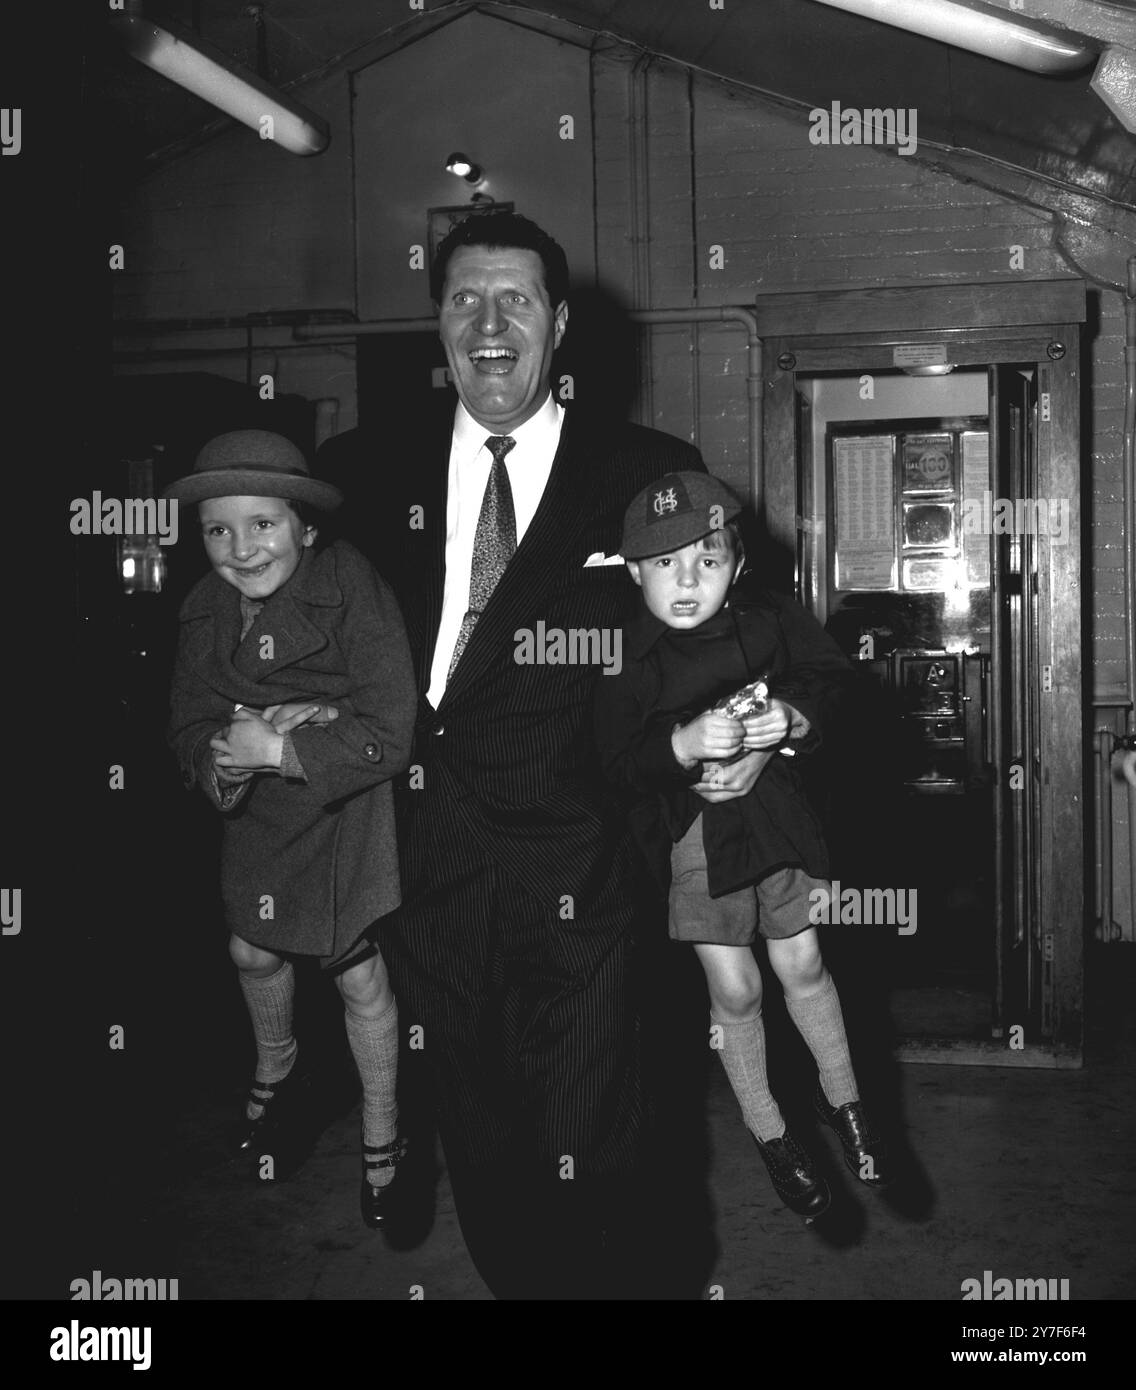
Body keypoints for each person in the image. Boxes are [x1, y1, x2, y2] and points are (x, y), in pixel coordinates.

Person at [354, 211, 706, 1298]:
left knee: (598, 1144)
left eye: (514, 299)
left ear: (557, 325)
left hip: (584, 874)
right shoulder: (363, 473)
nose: (488, 322)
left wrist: (756, 731)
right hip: (427, 874)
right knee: (485, 1142)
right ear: (437, 325)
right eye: (464, 299)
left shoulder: (645, 473)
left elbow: (716, 637)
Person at [594, 470, 890, 1220]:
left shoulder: (771, 616)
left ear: (739, 563)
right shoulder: (623, 656)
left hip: (778, 819)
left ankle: (847, 1101)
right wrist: (680, 744)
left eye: (708, 560)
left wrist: (789, 721)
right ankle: (771, 1132)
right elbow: (612, 765)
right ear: (633, 571)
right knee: (738, 991)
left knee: (806, 962)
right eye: (664, 564)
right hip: (694, 841)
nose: (687, 581)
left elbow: (838, 683)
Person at [165, 429, 417, 1229]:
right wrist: (221, 759)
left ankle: (384, 1137)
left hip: (342, 801)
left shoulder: (352, 584)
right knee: (250, 945)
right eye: (218, 529)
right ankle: (278, 1066)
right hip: (261, 813)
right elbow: (185, 724)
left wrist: (284, 743)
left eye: (263, 525)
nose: (241, 549)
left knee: (354, 971)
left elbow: (394, 727)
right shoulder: (203, 608)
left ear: (306, 528)